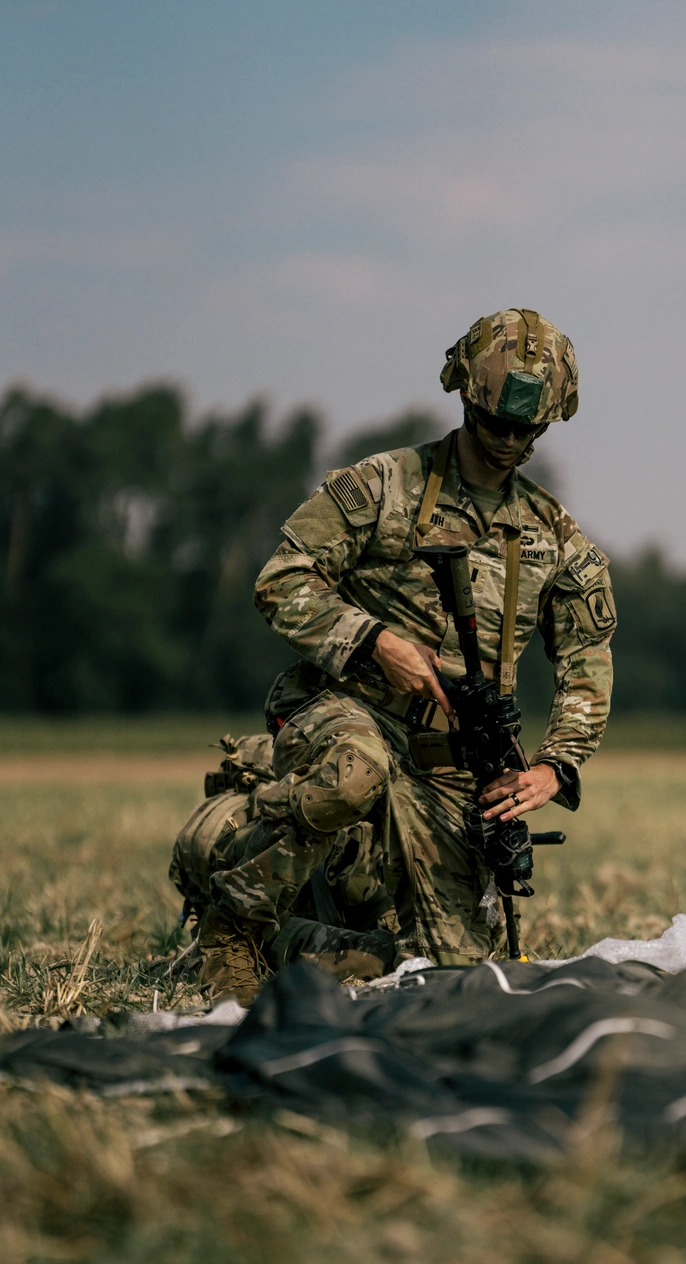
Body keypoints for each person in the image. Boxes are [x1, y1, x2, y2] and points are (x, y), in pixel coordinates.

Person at [196, 308, 616, 999]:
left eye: (528, 429)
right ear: (465, 398)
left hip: (448, 760)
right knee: (355, 772)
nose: (511, 441)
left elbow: (586, 656)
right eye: (498, 423)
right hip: (347, 711)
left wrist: (554, 766)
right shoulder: (384, 486)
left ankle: (293, 933)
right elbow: (282, 581)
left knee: (447, 978)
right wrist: (372, 641)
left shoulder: (554, 536)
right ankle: (234, 920)